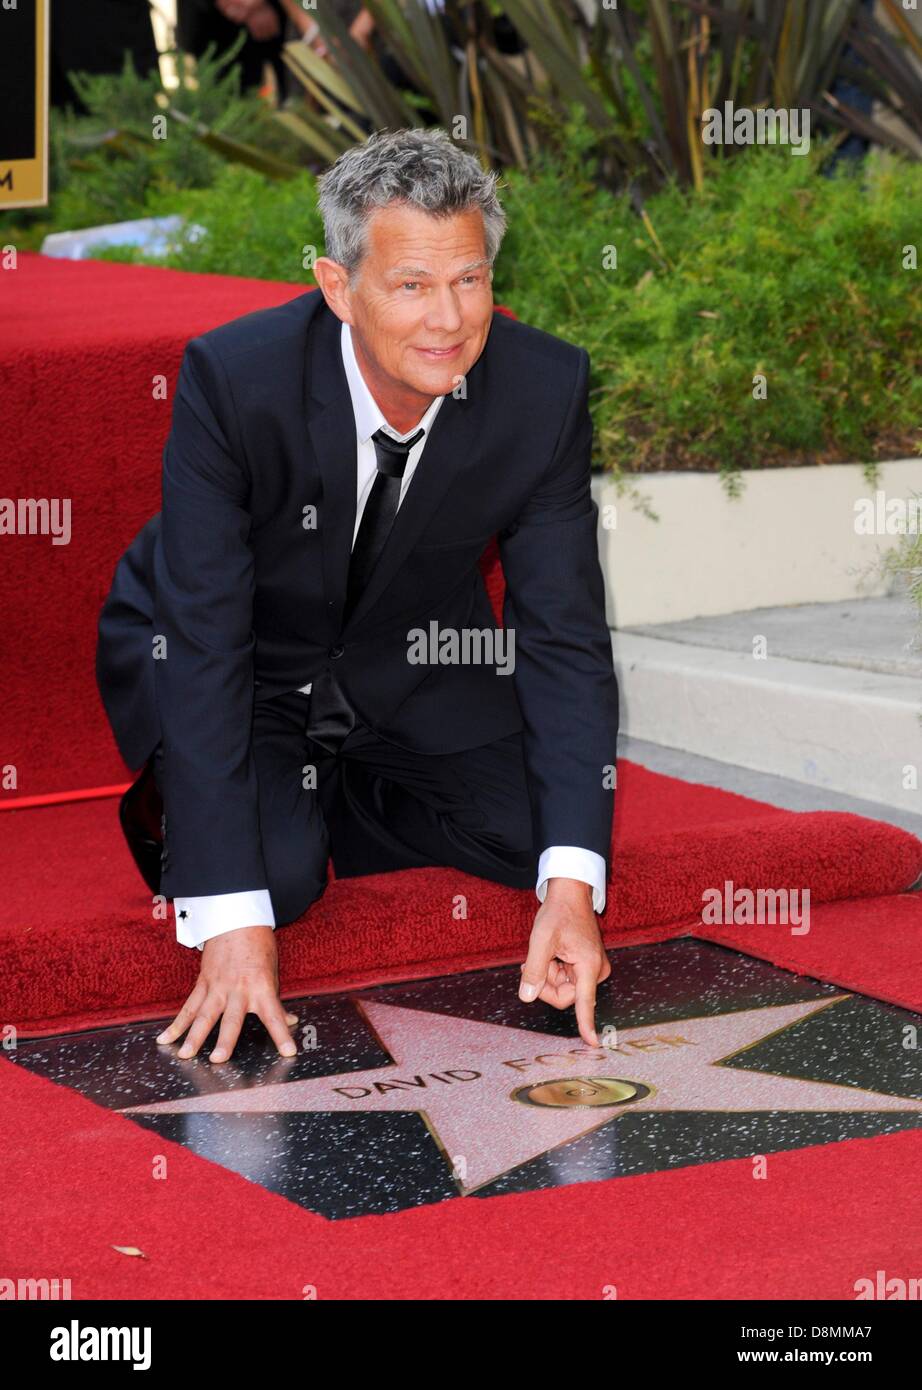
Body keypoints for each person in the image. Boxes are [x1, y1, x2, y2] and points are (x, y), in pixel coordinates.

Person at [96, 127, 619, 1065]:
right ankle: (223, 805)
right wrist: (227, 915)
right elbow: (207, 635)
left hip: (403, 654)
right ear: (339, 289)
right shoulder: (236, 378)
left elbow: (563, 636)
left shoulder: (542, 389)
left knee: (544, 834)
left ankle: (330, 790)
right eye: (412, 285)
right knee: (276, 885)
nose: (449, 321)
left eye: (470, 280)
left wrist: (573, 893)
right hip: (237, 650)